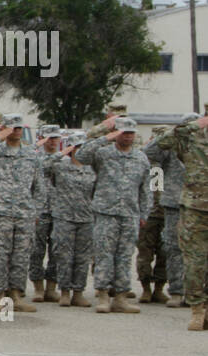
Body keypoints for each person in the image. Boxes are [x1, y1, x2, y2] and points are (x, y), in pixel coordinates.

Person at [0, 113, 45, 313]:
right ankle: (0, 295)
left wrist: (35, 210)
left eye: (19, 128)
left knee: (21, 255)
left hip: (24, 213)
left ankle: (16, 295)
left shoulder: (31, 154)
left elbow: (39, 186)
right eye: (12, 128)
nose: (16, 131)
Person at [76, 116, 151, 314]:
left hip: (130, 214)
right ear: (116, 134)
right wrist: (105, 138)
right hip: (105, 212)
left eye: (130, 133)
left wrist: (144, 212)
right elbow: (82, 156)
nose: (127, 137)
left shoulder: (141, 157)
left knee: (124, 257)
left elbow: (145, 189)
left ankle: (120, 297)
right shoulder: (103, 153)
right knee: (104, 254)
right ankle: (102, 295)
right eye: (123, 133)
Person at [147, 113, 208, 330]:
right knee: (192, 260)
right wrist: (190, 127)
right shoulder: (189, 139)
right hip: (193, 208)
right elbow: (152, 151)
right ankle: (195, 307)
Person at [143, 121, 194, 305]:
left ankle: (196, 294)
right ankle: (177, 291)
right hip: (174, 203)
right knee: (173, 248)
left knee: (199, 251)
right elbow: (148, 153)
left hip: (200, 205)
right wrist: (173, 133)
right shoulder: (171, 146)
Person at [44, 133, 96, 307]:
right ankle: (64, 291)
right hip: (64, 216)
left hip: (87, 217)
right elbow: (43, 166)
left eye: (83, 148)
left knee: (83, 257)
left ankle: (78, 292)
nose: (80, 151)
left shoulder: (92, 169)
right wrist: (61, 152)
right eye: (77, 148)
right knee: (63, 255)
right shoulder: (60, 166)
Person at [29, 125, 63, 302]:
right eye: (49, 138)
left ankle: (51, 286)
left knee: (57, 250)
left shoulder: (65, 159)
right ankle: (38, 287)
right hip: (40, 211)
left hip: (59, 210)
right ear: (42, 139)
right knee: (36, 250)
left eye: (56, 138)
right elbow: (42, 168)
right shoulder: (35, 157)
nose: (53, 141)